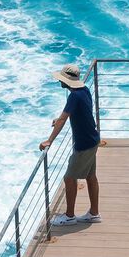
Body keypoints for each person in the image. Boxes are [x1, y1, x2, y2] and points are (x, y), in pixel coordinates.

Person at [41, 63, 100, 224]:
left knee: (69, 178)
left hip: (84, 144)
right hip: (93, 139)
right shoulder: (84, 91)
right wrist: (60, 119)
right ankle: (94, 213)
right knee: (90, 176)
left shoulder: (73, 96)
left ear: (66, 81)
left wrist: (49, 140)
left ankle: (69, 216)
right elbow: (79, 112)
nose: (59, 81)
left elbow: (64, 118)